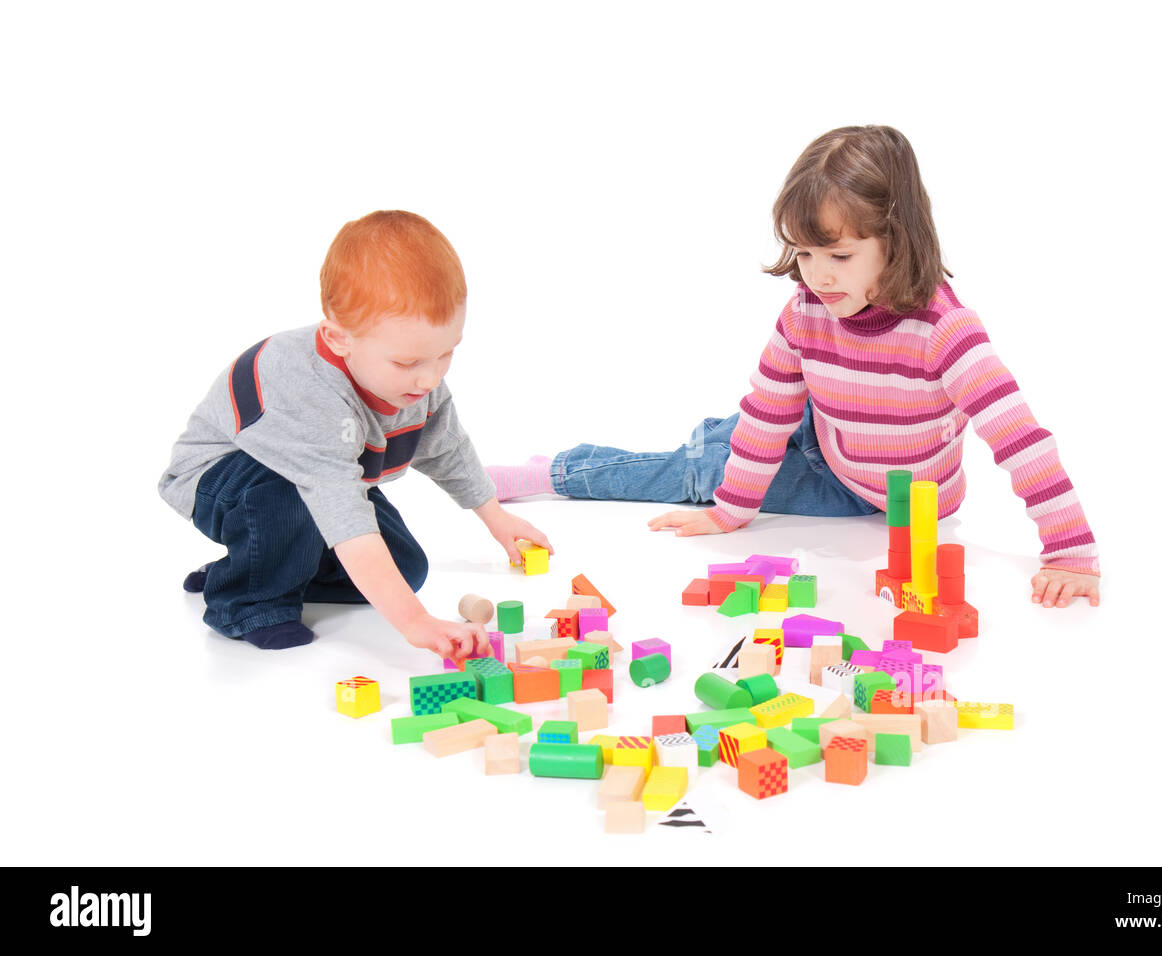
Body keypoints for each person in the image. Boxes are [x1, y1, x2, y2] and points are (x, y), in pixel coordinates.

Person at [487, 126, 1098, 608]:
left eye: (839, 254)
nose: (817, 274)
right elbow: (770, 408)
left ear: (898, 239)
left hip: (868, 493)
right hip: (822, 433)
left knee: (702, 466)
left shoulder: (946, 333)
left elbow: (1022, 443)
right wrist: (732, 511)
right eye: (804, 253)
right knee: (730, 448)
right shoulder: (805, 309)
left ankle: (562, 473)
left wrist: (1070, 552)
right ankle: (569, 471)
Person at [159, 210, 552, 652]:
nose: (429, 379)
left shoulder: (419, 381)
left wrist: (496, 517)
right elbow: (342, 513)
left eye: (446, 353)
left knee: (404, 569)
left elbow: (448, 449)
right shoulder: (304, 388)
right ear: (339, 338)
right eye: (408, 363)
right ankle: (247, 600)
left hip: (323, 480)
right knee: (285, 498)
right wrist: (415, 623)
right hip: (224, 479)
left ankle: (257, 564)